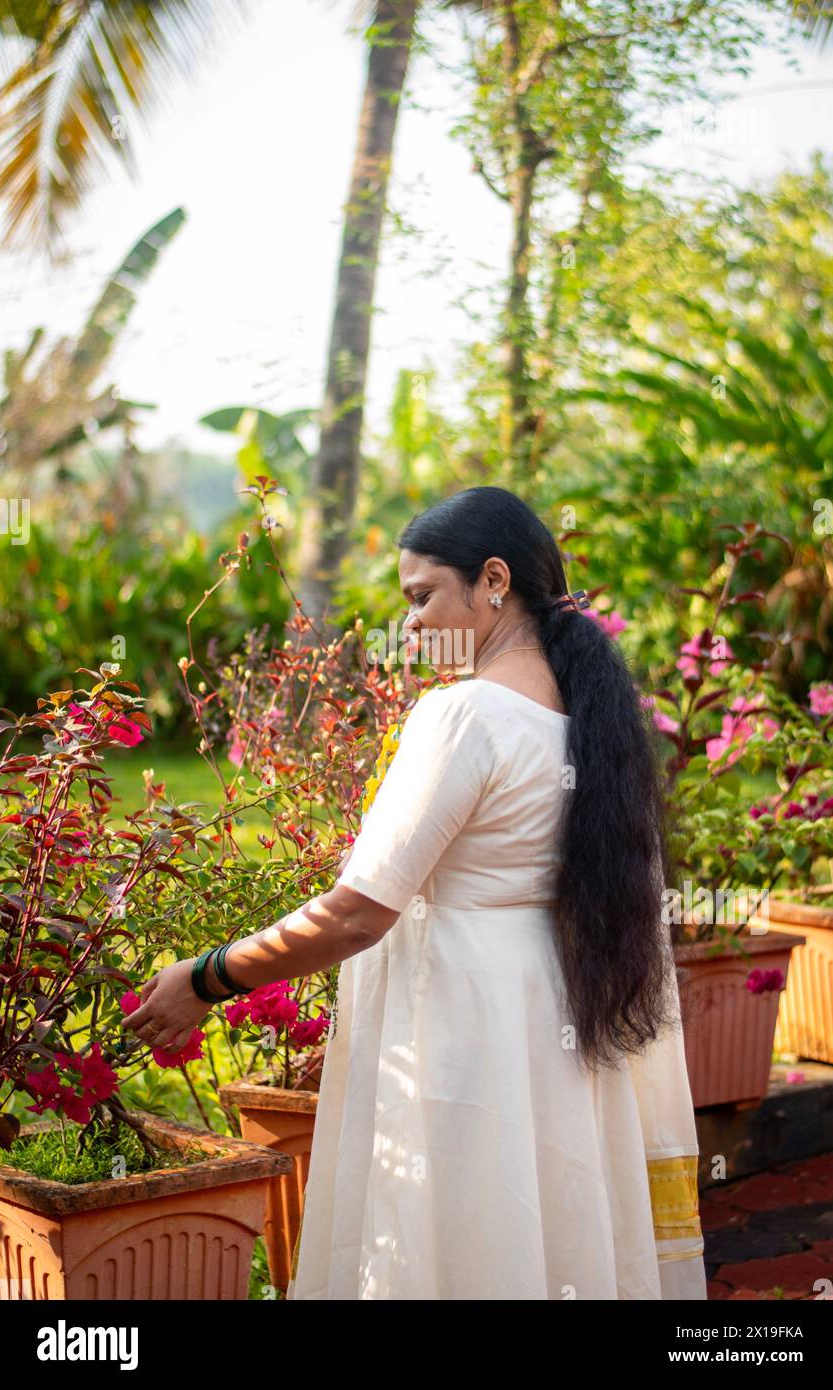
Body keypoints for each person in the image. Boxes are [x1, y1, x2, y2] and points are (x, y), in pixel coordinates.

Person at [122, 485, 706, 1300]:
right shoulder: (586, 721)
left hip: (464, 1026)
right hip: (552, 1017)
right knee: (535, 1229)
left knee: (459, 1239)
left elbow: (358, 910)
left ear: (493, 580)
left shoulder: (463, 715)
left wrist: (208, 976)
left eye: (423, 596)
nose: (413, 624)